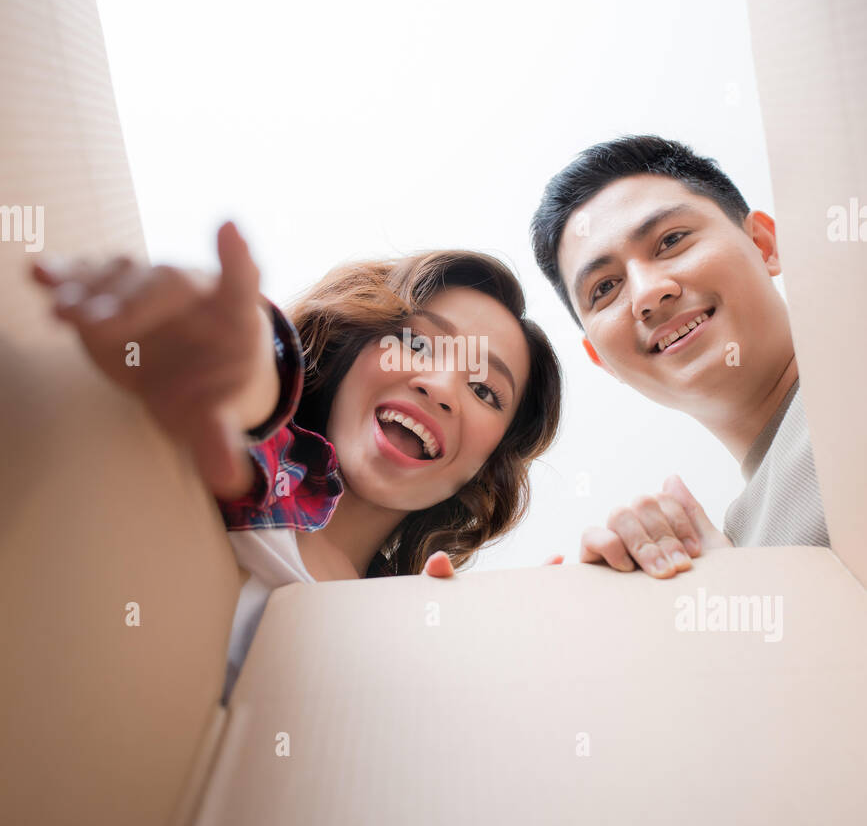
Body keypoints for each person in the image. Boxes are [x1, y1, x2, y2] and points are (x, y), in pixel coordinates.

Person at [30, 223, 563, 696]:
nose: (440, 387)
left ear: (487, 467)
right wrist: (239, 358)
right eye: (418, 344)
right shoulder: (251, 454)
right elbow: (256, 391)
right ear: (350, 344)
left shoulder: (413, 632)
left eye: (486, 391)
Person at [530, 133, 828, 579]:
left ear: (763, 244)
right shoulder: (734, 551)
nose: (647, 293)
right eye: (605, 288)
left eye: (671, 241)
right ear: (604, 362)